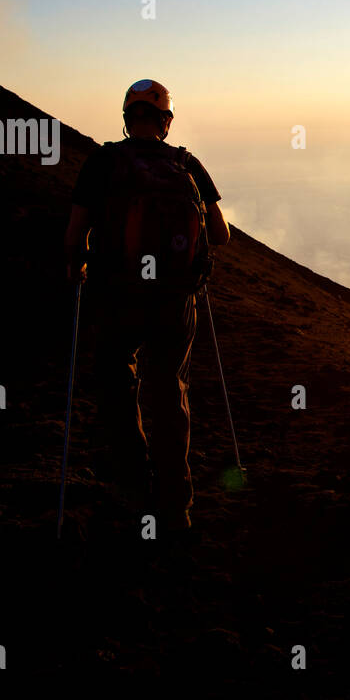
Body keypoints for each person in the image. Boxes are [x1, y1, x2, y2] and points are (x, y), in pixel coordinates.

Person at [64, 79, 230, 532]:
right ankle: (177, 506)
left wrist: (77, 270)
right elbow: (221, 235)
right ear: (167, 121)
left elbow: (75, 233)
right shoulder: (188, 164)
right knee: (169, 392)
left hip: (117, 297)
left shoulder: (102, 162)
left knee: (118, 388)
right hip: (175, 300)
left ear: (126, 117)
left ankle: (135, 491)